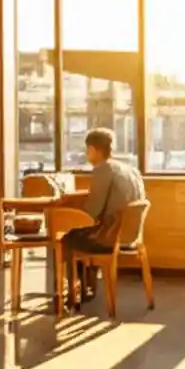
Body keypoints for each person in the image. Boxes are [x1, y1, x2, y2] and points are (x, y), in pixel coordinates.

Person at [61, 128, 146, 301]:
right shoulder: (131, 169)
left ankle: (73, 292)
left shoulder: (103, 169)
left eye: (87, 150)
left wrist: (72, 211)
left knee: (68, 237)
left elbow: (93, 211)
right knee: (84, 234)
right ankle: (88, 286)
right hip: (131, 235)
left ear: (93, 149)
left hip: (111, 236)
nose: (86, 154)